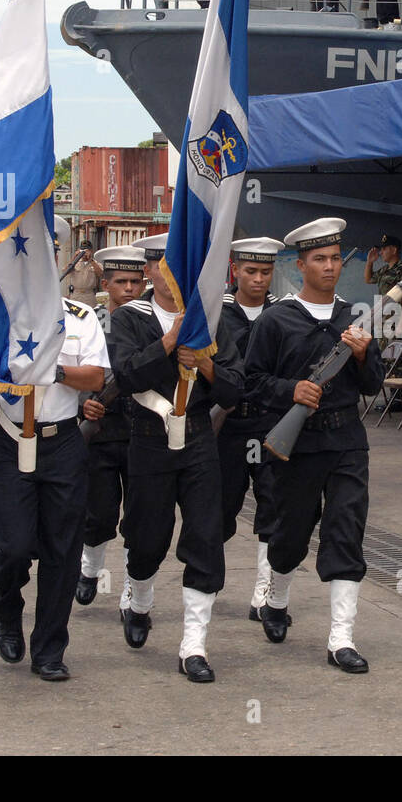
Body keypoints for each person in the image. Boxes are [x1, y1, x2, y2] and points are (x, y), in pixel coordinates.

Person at [245, 218, 384, 673]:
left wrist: (363, 357)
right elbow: (251, 382)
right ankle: (277, 598)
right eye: (319, 259)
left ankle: (341, 639)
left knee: (346, 531)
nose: (329, 266)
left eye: (335, 258)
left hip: (346, 441)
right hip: (298, 445)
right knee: (290, 533)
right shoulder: (276, 320)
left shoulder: (353, 317)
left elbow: (372, 386)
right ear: (300, 264)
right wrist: (292, 391)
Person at [107, 234, 243, 683]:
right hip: (148, 438)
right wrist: (168, 343)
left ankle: (194, 646)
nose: (173, 275)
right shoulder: (130, 318)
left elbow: (235, 388)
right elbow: (126, 376)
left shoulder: (213, 318)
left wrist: (204, 364)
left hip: (201, 437)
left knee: (205, 537)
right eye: (164, 266)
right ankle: (138, 599)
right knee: (148, 537)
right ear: (149, 271)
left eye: (181, 265)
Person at [0, 226, 109, 682]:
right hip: (9, 439)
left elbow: (96, 378)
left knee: (62, 551)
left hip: (62, 443)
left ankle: (50, 648)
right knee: (14, 547)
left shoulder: (80, 317)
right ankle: (6, 610)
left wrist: (52, 369)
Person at [74, 245, 147, 607]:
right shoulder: (89, 322)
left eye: (136, 281)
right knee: (99, 514)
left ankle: (133, 592)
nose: (129, 288)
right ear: (107, 283)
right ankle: (90, 569)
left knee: (140, 520)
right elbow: (73, 369)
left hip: (142, 431)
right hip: (101, 431)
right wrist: (82, 406)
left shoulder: (153, 324)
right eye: (121, 281)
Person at [216, 237, 284, 622]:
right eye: (251, 271)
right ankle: (210, 577)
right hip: (229, 423)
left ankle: (264, 593)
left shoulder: (284, 313)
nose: (259, 279)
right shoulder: (216, 312)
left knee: (273, 504)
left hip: (269, 422)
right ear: (235, 271)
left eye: (266, 272)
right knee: (222, 506)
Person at [364, 233, 402, 344]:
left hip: (395, 320)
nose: (381, 252)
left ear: (394, 250)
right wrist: (370, 262)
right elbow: (368, 279)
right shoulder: (384, 269)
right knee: (383, 355)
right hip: (382, 318)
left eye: (384, 249)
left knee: (392, 356)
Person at [64, 240, 102, 309]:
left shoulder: (95, 263)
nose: (84, 253)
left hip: (89, 295)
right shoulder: (75, 263)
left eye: (86, 250)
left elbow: (100, 273)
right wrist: (75, 257)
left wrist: (91, 260)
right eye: (82, 250)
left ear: (91, 251)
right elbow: (65, 271)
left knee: (90, 316)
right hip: (76, 295)